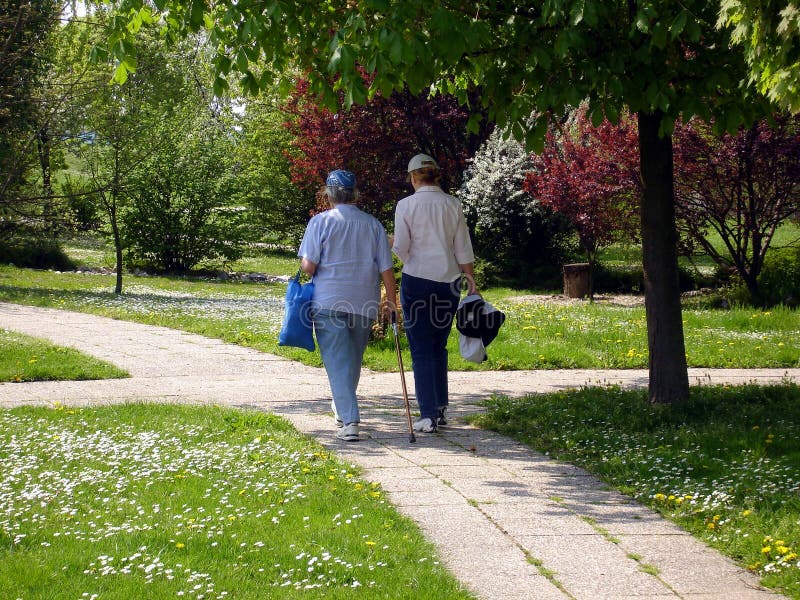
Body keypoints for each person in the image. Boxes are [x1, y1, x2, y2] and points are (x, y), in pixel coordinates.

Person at [298, 170, 396, 442]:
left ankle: (350, 420)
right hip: (364, 300)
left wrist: (304, 261)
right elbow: (386, 268)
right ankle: (343, 408)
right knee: (351, 359)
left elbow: (309, 267)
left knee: (337, 360)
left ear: (328, 194)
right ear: (355, 193)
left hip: (328, 299)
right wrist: (391, 301)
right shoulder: (373, 225)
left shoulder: (320, 222)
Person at [392, 153, 478, 433]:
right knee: (438, 345)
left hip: (417, 281)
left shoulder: (406, 205)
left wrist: (402, 252)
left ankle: (427, 414)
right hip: (448, 282)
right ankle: (440, 408)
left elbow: (401, 247)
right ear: (435, 174)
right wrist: (472, 283)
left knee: (421, 348)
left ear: (413, 177)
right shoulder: (453, 204)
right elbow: (463, 247)